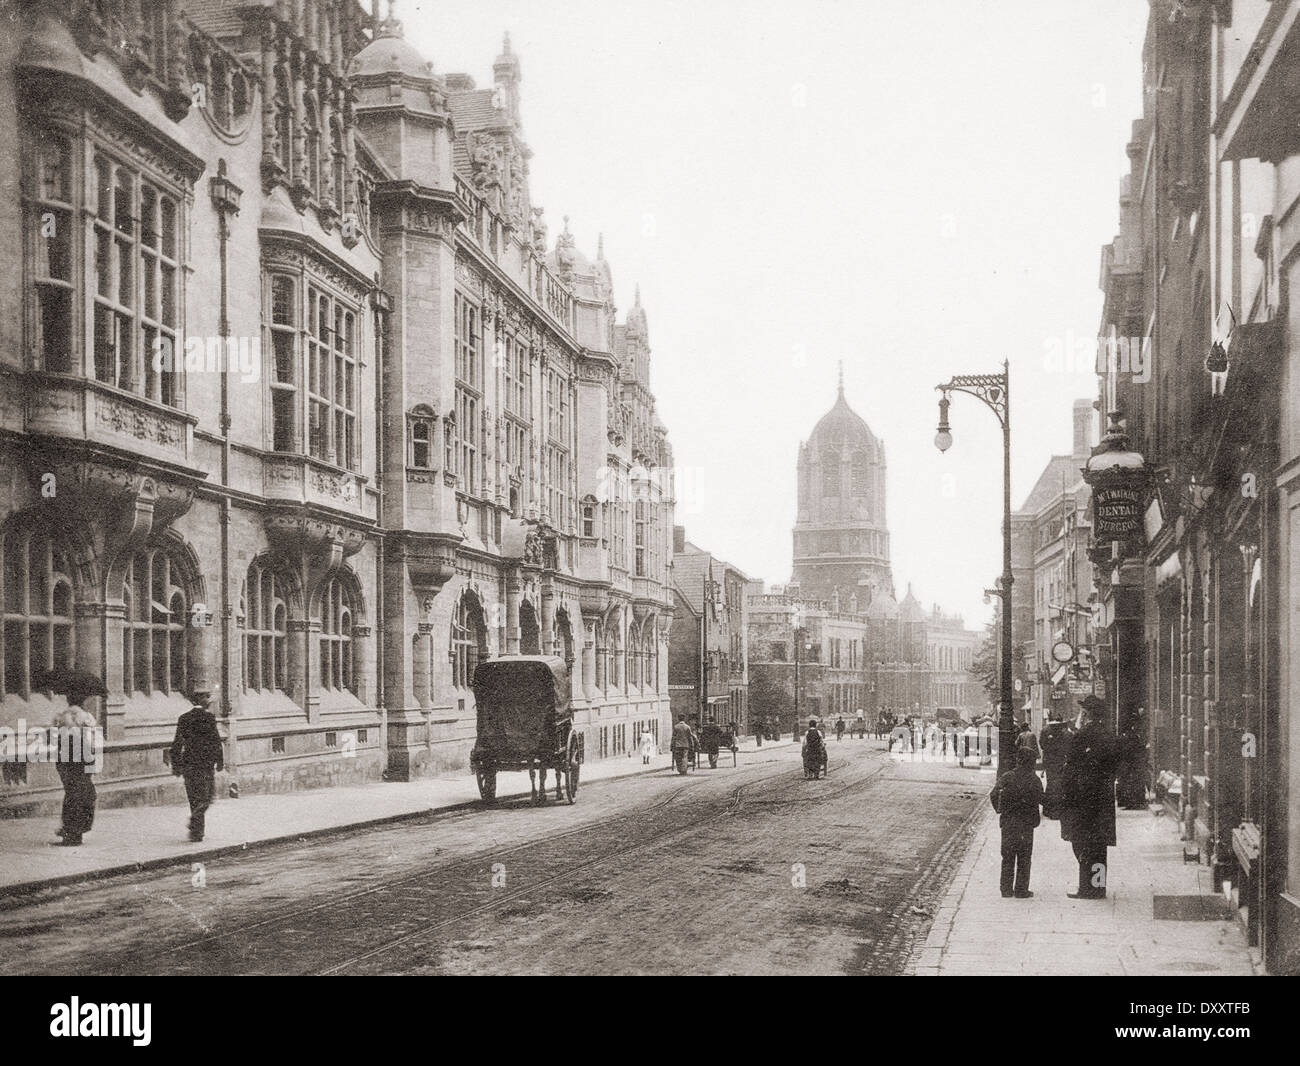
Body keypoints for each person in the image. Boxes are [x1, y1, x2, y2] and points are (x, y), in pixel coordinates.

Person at [1059, 695, 1118, 899]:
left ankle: (1086, 888)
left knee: (1081, 842)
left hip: (1082, 798)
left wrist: (1066, 795)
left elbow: (1070, 768)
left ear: (1088, 713)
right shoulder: (1109, 736)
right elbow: (1114, 767)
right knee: (1100, 846)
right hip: (1103, 798)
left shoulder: (1080, 736)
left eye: (1084, 711)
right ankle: (1098, 886)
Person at [171, 688, 225, 842]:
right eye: (206, 698)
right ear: (199, 700)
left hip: (189, 764)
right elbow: (216, 741)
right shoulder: (209, 718)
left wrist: (176, 765)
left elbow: (177, 743)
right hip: (205, 765)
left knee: (193, 798)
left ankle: (197, 833)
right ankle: (195, 822)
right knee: (208, 797)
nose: (208, 700)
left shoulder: (184, 718)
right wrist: (220, 761)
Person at [990, 746, 1044, 898]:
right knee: (1024, 857)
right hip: (1027, 824)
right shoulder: (1034, 779)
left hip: (1008, 823)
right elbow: (1042, 799)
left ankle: (1006, 889)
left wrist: (999, 810)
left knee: (1007, 856)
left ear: (1018, 760)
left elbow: (994, 794)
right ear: (1032, 763)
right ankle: (1021, 889)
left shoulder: (1007, 776)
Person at [53, 696, 99, 847]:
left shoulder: (63, 717)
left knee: (72, 796)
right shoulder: (86, 718)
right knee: (82, 795)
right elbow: (92, 744)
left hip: (70, 761)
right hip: (83, 760)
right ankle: (75, 832)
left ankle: (72, 834)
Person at [1039, 709, 1073, 820]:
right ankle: (1057, 811)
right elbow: (1067, 747)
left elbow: (1042, 745)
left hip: (1049, 761)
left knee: (1050, 784)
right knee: (1059, 784)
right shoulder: (1063, 732)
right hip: (1060, 761)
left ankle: (1048, 810)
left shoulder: (1045, 730)